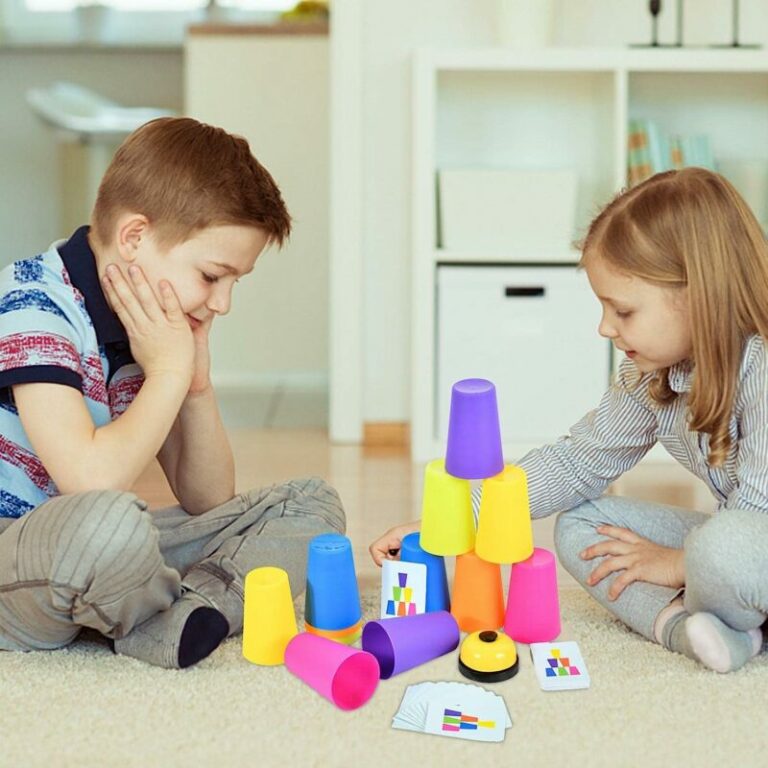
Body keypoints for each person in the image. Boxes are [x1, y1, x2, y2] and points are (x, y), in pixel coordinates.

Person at [370, 167, 768, 674]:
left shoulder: (762, 369)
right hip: (731, 557)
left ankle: (726, 609)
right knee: (582, 524)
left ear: (699, 296)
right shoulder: (650, 377)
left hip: (749, 541)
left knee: (723, 546)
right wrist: (449, 521)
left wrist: (675, 563)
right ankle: (691, 630)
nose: (605, 328)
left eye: (622, 311)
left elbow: (755, 517)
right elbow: (576, 462)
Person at [0, 117, 344, 669]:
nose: (223, 303)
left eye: (235, 283)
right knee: (112, 525)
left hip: (102, 550)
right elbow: (90, 483)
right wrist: (165, 373)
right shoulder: (33, 302)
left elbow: (210, 498)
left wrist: (194, 384)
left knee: (310, 506)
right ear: (135, 237)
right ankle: (160, 615)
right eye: (212, 276)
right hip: (18, 554)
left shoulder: (151, 327)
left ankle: (182, 610)